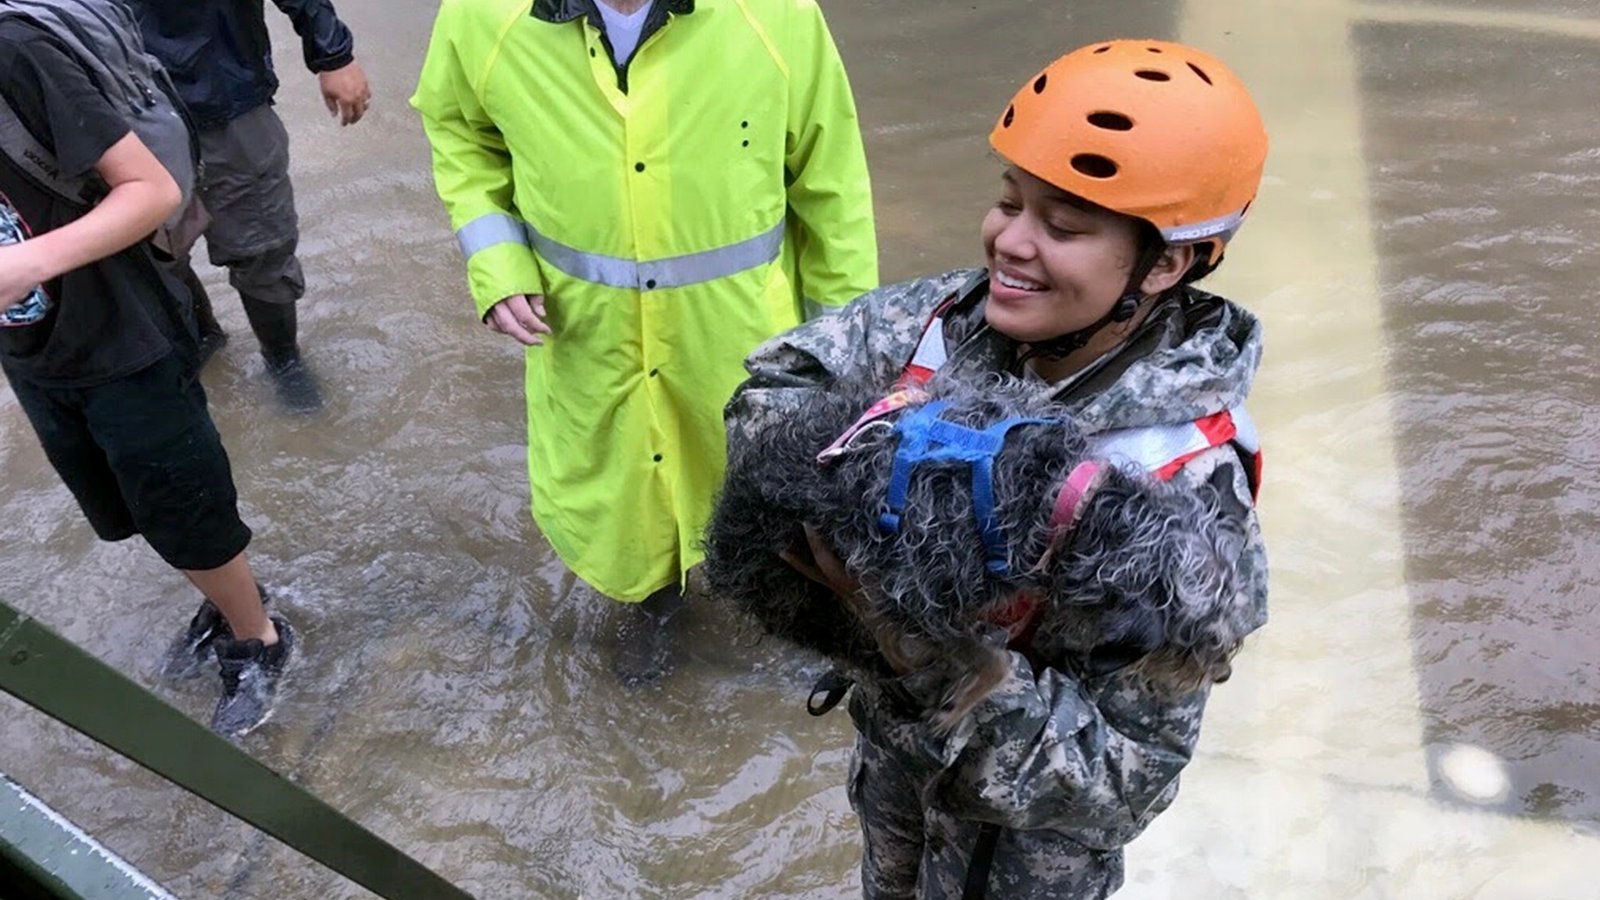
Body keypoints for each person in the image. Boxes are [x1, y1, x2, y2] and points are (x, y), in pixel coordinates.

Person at [723, 40, 1270, 898]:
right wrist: (881, 474)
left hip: (1026, 864)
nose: (1009, 244)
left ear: (1164, 263)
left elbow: (1128, 780)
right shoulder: (943, 322)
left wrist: (923, 651)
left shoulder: (1182, 483)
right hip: (897, 787)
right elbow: (769, 394)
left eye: (1063, 226)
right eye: (1009, 203)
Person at [410, 0, 878, 683]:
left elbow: (831, 186)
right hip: (592, 339)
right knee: (631, 498)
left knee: (773, 494)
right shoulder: (486, 15)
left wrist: (847, 357)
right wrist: (498, 262)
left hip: (739, 341)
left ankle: (792, 625)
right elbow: (458, 130)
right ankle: (654, 607)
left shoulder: (774, 15)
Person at [0, 11, 295, 737]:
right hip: (31, 347)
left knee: (187, 506)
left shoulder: (16, 51)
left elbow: (153, 190)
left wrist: (29, 263)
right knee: (130, 509)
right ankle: (227, 600)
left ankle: (259, 636)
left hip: (120, 329)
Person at [127, 0, 374, 413]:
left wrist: (333, 54)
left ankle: (283, 361)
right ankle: (204, 338)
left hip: (228, 90)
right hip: (124, 108)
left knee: (261, 244)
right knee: (152, 253)